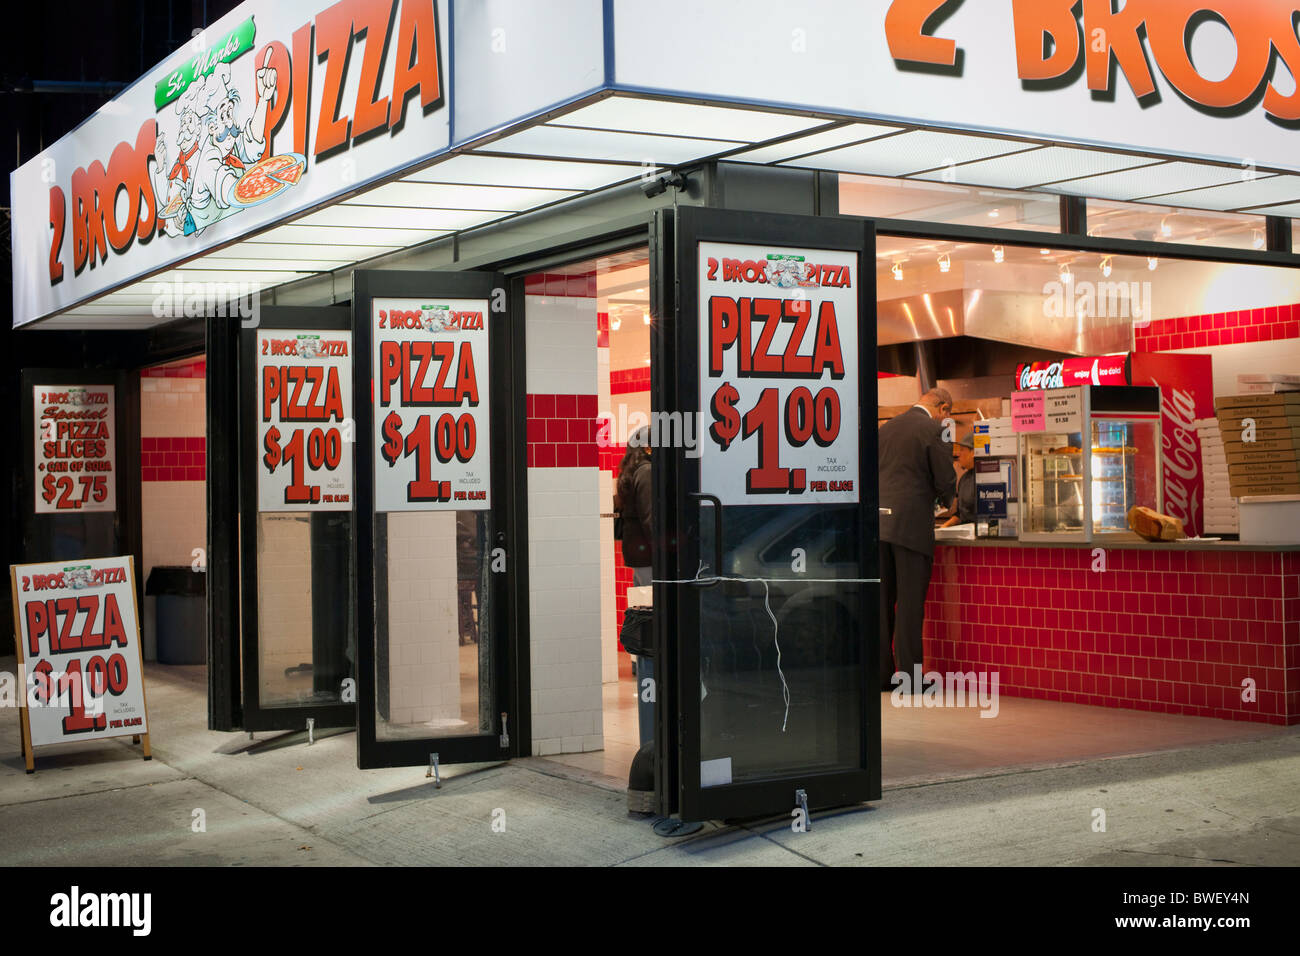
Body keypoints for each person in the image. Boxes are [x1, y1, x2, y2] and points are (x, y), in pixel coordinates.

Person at [878, 387, 957, 691]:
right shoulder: (939, 428)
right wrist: (948, 499)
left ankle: (881, 675)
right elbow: (945, 477)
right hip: (910, 527)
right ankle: (910, 679)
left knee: (882, 605)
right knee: (910, 605)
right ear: (943, 408)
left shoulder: (888, 427)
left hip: (879, 525)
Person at [615, 427, 652, 586]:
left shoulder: (631, 471)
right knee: (652, 603)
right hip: (647, 553)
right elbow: (649, 517)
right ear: (648, 448)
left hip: (637, 553)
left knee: (644, 603)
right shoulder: (646, 471)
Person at [940, 432, 977, 527]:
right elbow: (960, 514)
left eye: (962, 450)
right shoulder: (964, 479)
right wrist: (944, 527)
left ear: (973, 452)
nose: (958, 454)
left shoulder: (984, 478)